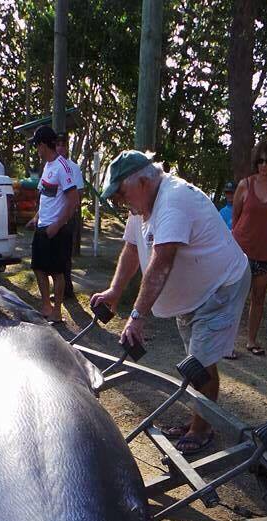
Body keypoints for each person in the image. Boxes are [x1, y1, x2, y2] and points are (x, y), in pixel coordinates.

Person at [90, 151, 250, 455]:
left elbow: (161, 261)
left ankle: (202, 429)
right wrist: (114, 291)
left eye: (122, 192)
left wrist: (137, 315)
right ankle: (198, 418)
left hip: (220, 287)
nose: (121, 201)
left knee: (199, 363)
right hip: (195, 295)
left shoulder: (173, 201)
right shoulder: (141, 207)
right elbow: (131, 249)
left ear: (144, 180)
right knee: (196, 360)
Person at [232, 137, 267, 356]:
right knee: (235, 298)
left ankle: (251, 340)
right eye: (261, 160)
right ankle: (228, 343)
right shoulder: (245, 184)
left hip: (265, 253)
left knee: (259, 298)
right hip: (240, 251)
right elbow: (235, 217)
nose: (265, 165)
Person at [27, 125, 79, 324]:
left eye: (37, 145)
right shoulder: (47, 167)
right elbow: (46, 197)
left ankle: (57, 311)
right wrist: (36, 217)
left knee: (57, 272)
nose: (37, 150)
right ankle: (46, 306)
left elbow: (73, 200)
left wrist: (58, 224)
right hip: (43, 226)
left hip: (57, 229)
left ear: (43, 144)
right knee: (38, 267)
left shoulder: (62, 167)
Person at [56, 133, 84, 299]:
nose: (60, 148)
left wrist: (69, 210)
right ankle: (60, 289)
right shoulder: (50, 166)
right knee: (55, 255)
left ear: (67, 148)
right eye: (57, 144)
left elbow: (79, 192)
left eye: (63, 145)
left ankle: (67, 290)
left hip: (68, 216)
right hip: (53, 216)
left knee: (65, 255)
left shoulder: (73, 167)